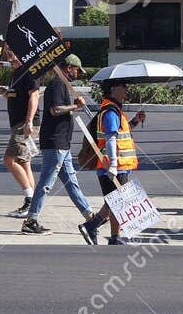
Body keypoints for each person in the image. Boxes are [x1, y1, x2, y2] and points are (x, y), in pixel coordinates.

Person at [23, 56, 99, 239]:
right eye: (76, 71)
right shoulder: (57, 84)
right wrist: (76, 106)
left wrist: (74, 106)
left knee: (71, 182)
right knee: (46, 183)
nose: (77, 74)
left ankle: (90, 215)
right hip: (54, 142)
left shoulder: (62, 85)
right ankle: (30, 220)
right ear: (69, 67)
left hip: (62, 144)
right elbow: (55, 110)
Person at [81, 78, 147, 246]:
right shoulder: (110, 111)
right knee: (116, 202)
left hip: (117, 166)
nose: (126, 89)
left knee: (115, 202)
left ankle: (113, 237)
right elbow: (111, 138)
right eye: (123, 86)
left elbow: (120, 132)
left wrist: (135, 121)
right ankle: (92, 226)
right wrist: (113, 165)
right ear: (113, 89)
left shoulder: (115, 110)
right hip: (113, 167)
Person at [0, 65, 40, 217]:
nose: (9, 54)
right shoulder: (16, 73)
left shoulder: (30, 71)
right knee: (24, 163)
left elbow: (35, 95)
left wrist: (29, 121)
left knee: (10, 160)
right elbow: (12, 95)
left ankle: (30, 201)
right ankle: (33, 203)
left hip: (24, 125)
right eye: (8, 50)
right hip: (19, 124)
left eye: (12, 51)